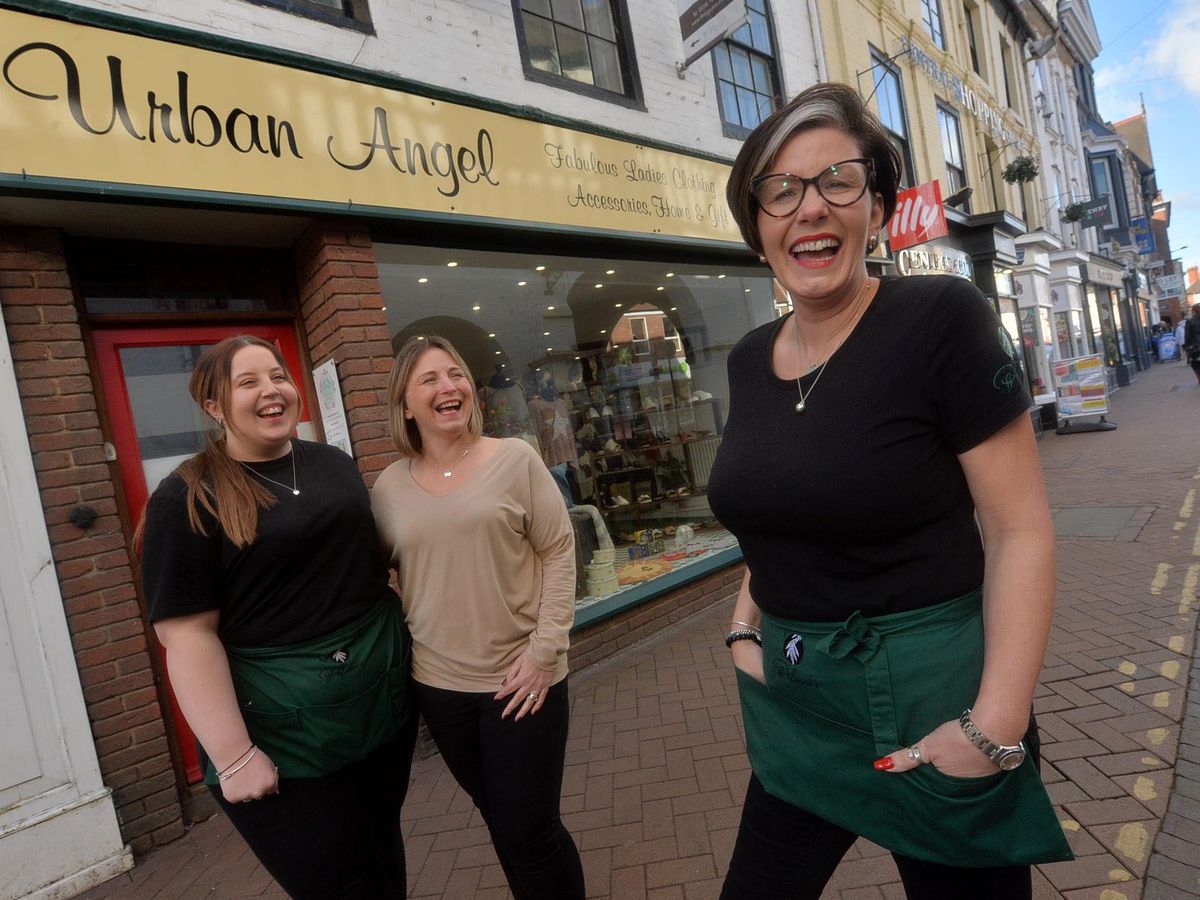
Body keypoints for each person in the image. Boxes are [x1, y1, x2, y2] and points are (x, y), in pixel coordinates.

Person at [706, 83, 1072, 900]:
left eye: (839, 181)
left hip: (935, 705)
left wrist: (996, 727)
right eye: (781, 190)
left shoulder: (941, 316)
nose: (810, 208)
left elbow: (1020, 531)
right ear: (757, 225)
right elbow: (775, 511)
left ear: (876, 205)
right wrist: (742, 629)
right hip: (801, 707)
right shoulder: (748, 358)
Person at [139, 336, 416, 899]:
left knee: (385, 857)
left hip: (379, 715)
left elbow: (378, 568)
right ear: (214, 406)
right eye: (248, 382)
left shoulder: (333, 463)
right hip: (283, 739)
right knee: (346, 886)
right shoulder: (187, 496)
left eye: (278, 376)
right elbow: (187, 636)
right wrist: (234, 756)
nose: (271, 391)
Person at [372, 335, 585, 900]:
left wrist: (545, 652)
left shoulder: (515, 458)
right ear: (406, 404)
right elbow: (376, 578)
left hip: (523, 679)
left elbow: (560, 551)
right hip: (440, 688)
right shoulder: (388, 488)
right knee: (503, 825)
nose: (449, 387)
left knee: (530, 830)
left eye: (456, 375)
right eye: (431, 380)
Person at [1185, 304, 1200, 384]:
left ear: (1193, 311)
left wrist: (1187, 348)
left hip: (1195, 347)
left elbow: (1187, 336)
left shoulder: (1190, 321)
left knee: (1195, 364)